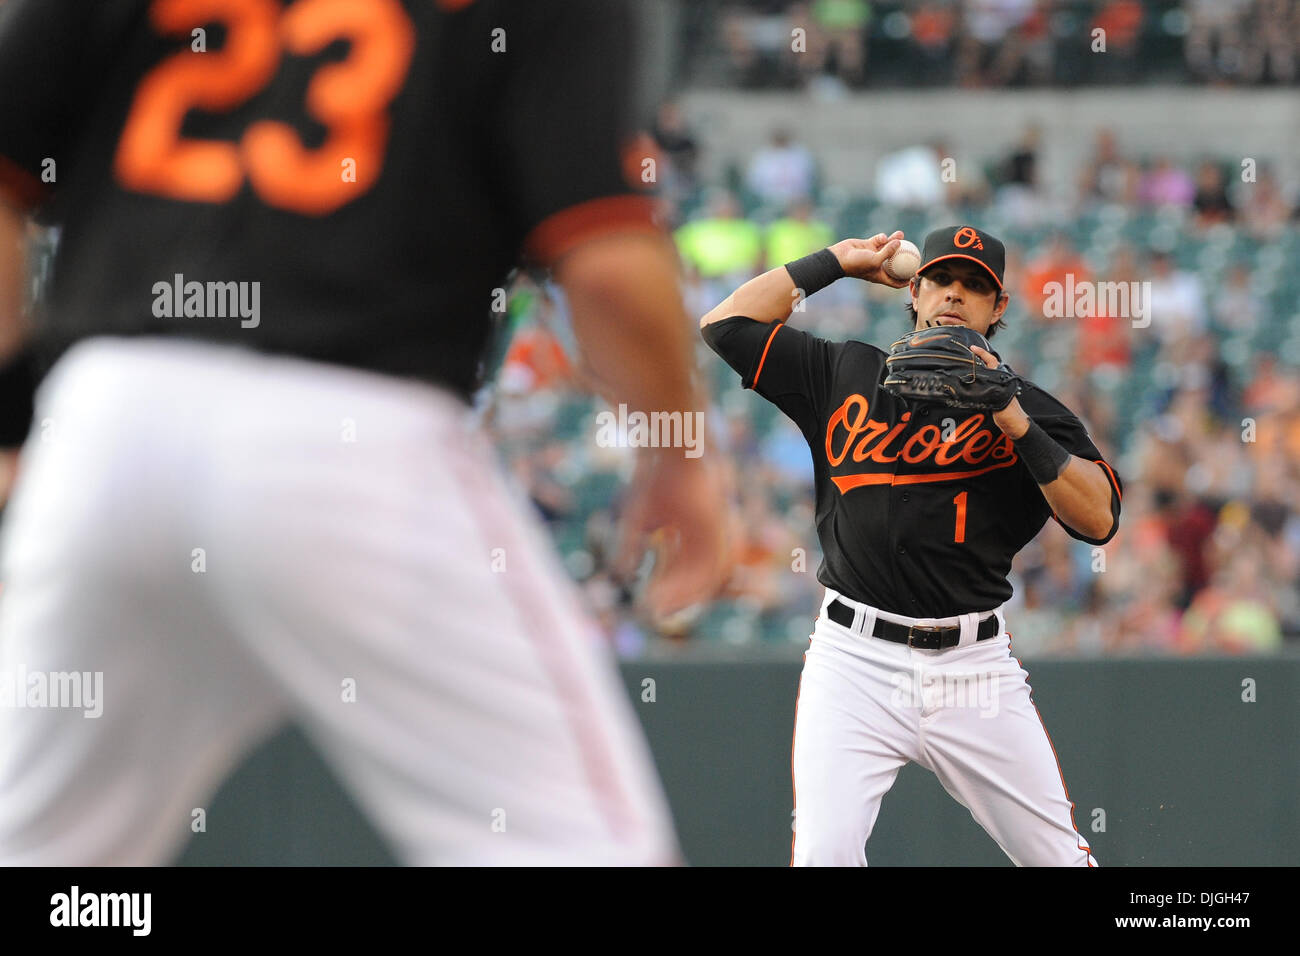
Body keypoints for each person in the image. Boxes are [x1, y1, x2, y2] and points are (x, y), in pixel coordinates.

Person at [0, 0, 731, 865]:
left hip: (104, 423)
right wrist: (679, 456)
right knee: (572, 847)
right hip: (353, 436)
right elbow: (607, 266)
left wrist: (16, 417)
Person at [699, 226, 1123, 866]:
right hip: (853, 660)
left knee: (1057, 860)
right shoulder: (846, 372)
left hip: (973, 669)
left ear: (998, 307)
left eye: (976, 286)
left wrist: (1011, 417)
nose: (957, 294)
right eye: (944, 279)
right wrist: (835, 263)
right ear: (914, 289)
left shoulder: (1027, 407)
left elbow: (1098, 521)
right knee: (823, 857)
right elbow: (725, 325)